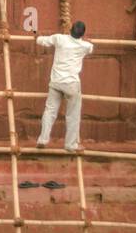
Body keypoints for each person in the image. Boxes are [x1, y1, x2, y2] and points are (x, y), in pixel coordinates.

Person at [35, 20, 94, 151]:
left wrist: (36, 34)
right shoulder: (85, 46)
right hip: (72, 84)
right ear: (82, 34)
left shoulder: (59, 39)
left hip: (55, 82)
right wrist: (86, 40)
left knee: (49, 111)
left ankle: (43, 139)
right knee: (73, 115)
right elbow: (91, 47)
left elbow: (40, 40)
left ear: (70, 29)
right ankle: (70, 145)